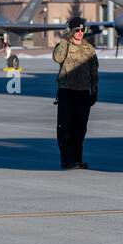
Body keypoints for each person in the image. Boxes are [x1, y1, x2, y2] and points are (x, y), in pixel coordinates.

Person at [52, 16, 98, 169]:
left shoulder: (89, 49)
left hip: (83, 93)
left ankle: (77, 159)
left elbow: (94, 73)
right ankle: (66, 160)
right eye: (76, 30)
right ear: (70, 31)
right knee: (64, 128)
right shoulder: (64, 46)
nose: (80, 32)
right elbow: (57, 58)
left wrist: (94, 92)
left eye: (82, 29)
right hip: (66, 92)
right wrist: (65, 39)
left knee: (80, 129)